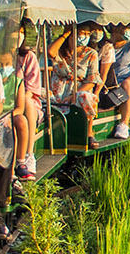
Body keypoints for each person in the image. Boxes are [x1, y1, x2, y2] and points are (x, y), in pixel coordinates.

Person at [48, 24, 104, 149]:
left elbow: (91, 81)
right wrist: (65, 34)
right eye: (82, 33)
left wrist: (73, 95)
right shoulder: (61, 52)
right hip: (58, 91)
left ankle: (89, 132)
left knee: (84, 97)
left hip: (78, 90)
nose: (84, 37)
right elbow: (50, 52)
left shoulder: (91, 53)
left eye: (87, 34)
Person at [102, 22, 130, 138]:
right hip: (110, 85)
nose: (128, 30)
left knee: (127, 85)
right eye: (125, 27)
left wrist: (122, 85)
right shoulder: (105, 47)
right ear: (115, 28)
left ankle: (124, 124)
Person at [10, 30, 43, 178]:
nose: (18, 34)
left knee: (27, 102)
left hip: (26, 99)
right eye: (14, 30)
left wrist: (19, 99)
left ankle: (28, 155)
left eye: (21, 31)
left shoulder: (28, 57)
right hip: (2, 100)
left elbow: (32, 89)